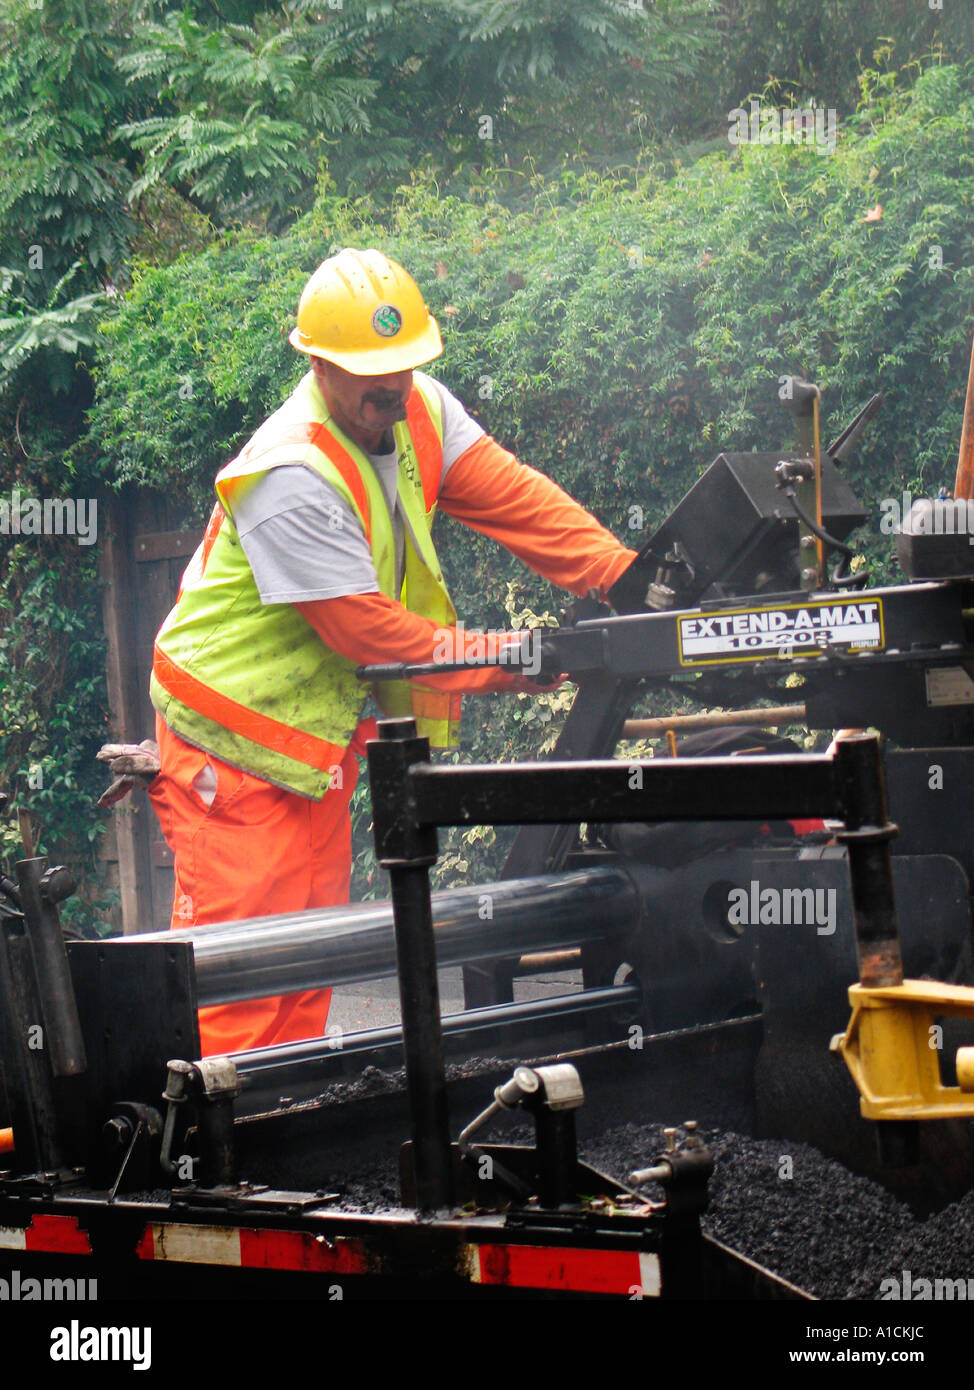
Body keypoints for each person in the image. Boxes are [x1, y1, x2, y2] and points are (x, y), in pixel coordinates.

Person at [147, 247, 637, 1056]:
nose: (394, 389)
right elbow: (373, 639)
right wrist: (526, 656)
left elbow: (521, 503)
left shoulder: (422, 410)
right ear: (315, 361)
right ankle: (205, 1161)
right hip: (230, 750)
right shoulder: (286, 473)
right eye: (371, 374)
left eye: (407, 366)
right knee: (234, 982)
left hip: (310, 743)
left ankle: (281, 1127)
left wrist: (630, 582)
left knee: (305, 964)